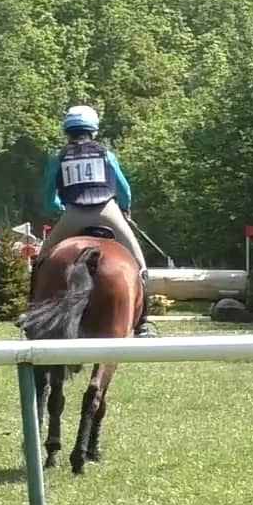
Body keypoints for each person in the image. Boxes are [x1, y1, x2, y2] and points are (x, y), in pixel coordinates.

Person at [38, 103, 155, 337]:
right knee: (140, 265)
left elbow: (47, 195)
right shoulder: (107, 154)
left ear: (66, 131)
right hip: (107, 211)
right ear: (94, 130)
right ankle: (143, 323)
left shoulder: (58, 157)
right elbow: (124, 189)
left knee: (41, 261)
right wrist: (125, 208)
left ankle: (32, 310)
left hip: (72, 213)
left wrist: (57, 207)